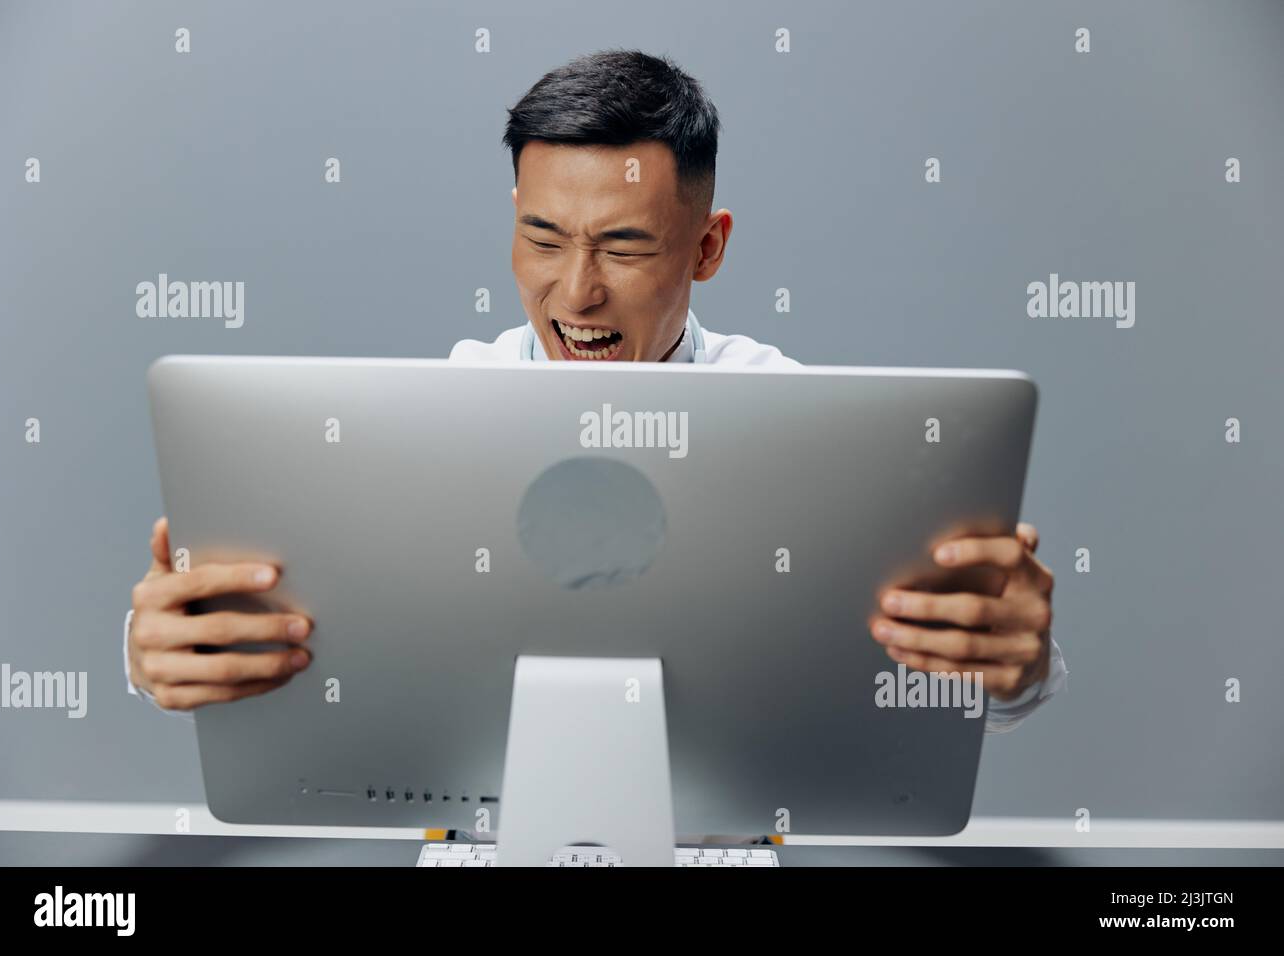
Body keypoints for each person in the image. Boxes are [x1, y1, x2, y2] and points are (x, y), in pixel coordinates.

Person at [126, 50, 1067, 735]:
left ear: (708, 248)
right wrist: (154, 648)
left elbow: (941, 662)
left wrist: (1018, 669)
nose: (575, 293)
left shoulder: (799, 423)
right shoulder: (436, 411)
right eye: (543, 240)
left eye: (622, 246)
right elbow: (299, 610)